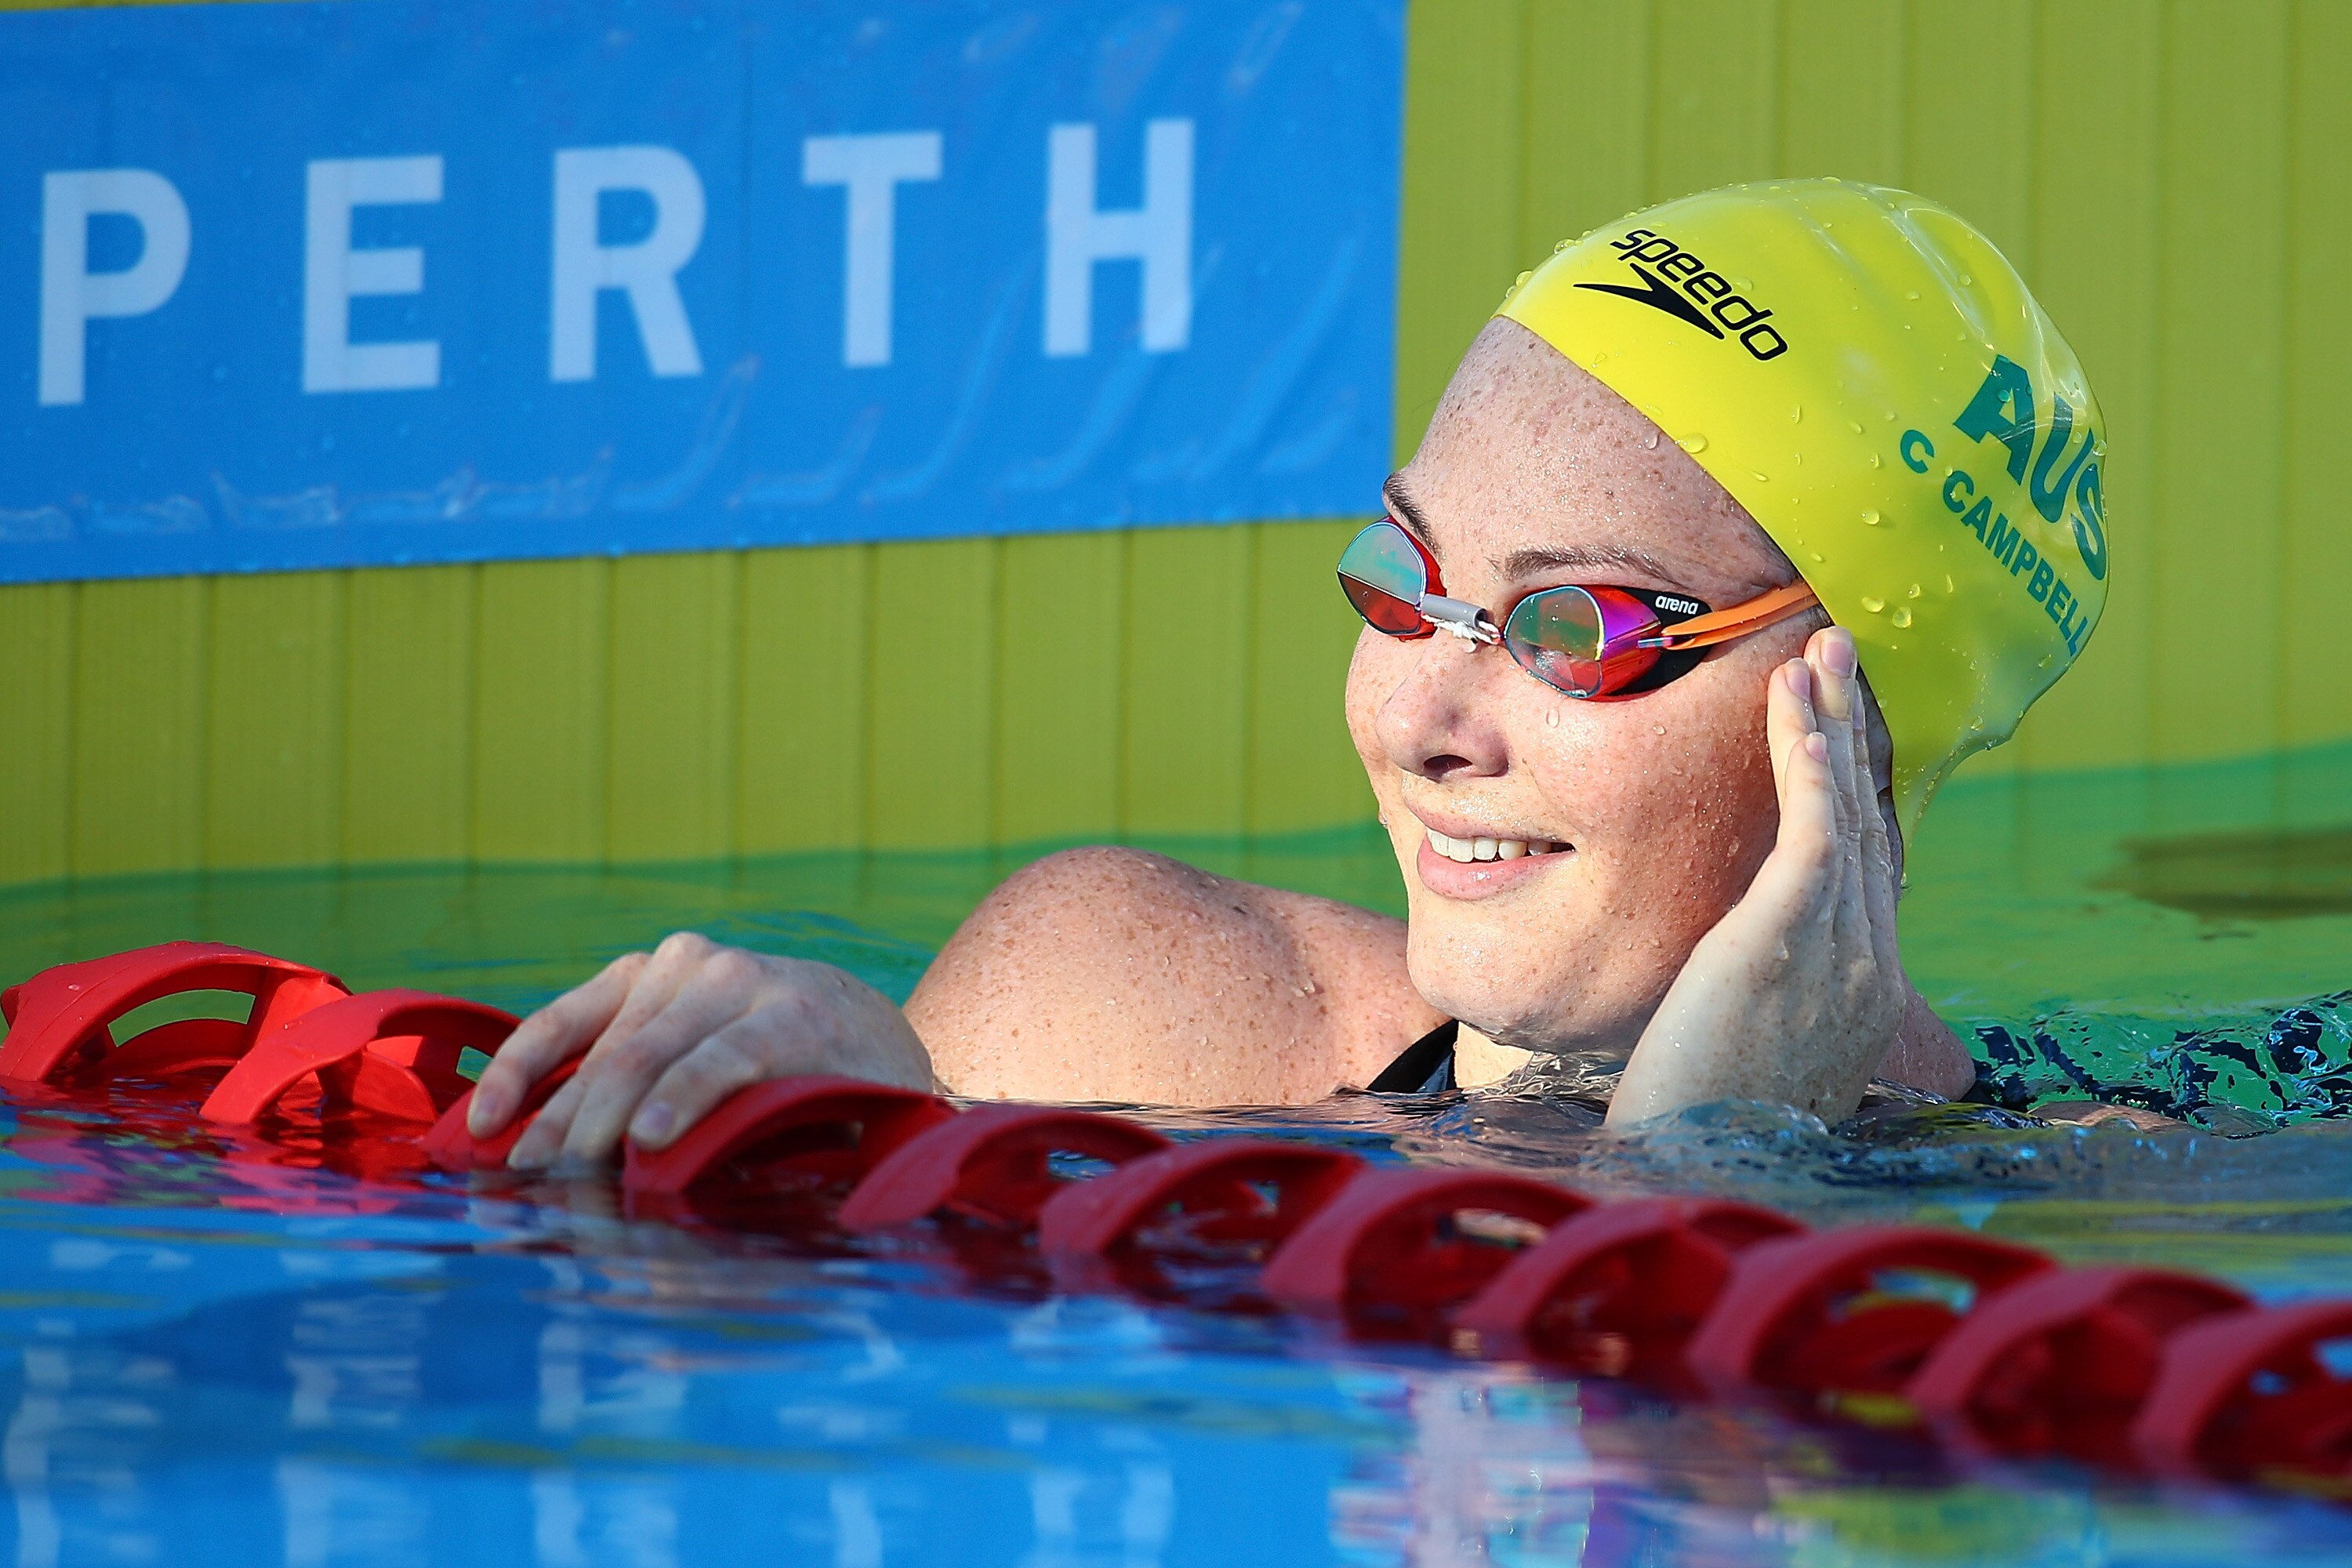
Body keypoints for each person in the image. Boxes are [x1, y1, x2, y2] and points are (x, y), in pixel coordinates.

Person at [466, 178, 2111, 1168]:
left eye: (1572, 628)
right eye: (1406, 585)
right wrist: (863, 1128)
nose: (1420, 720)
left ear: (1853, 722)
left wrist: (1712, 1160)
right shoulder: (1122, 1013)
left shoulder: (2109, 1219)